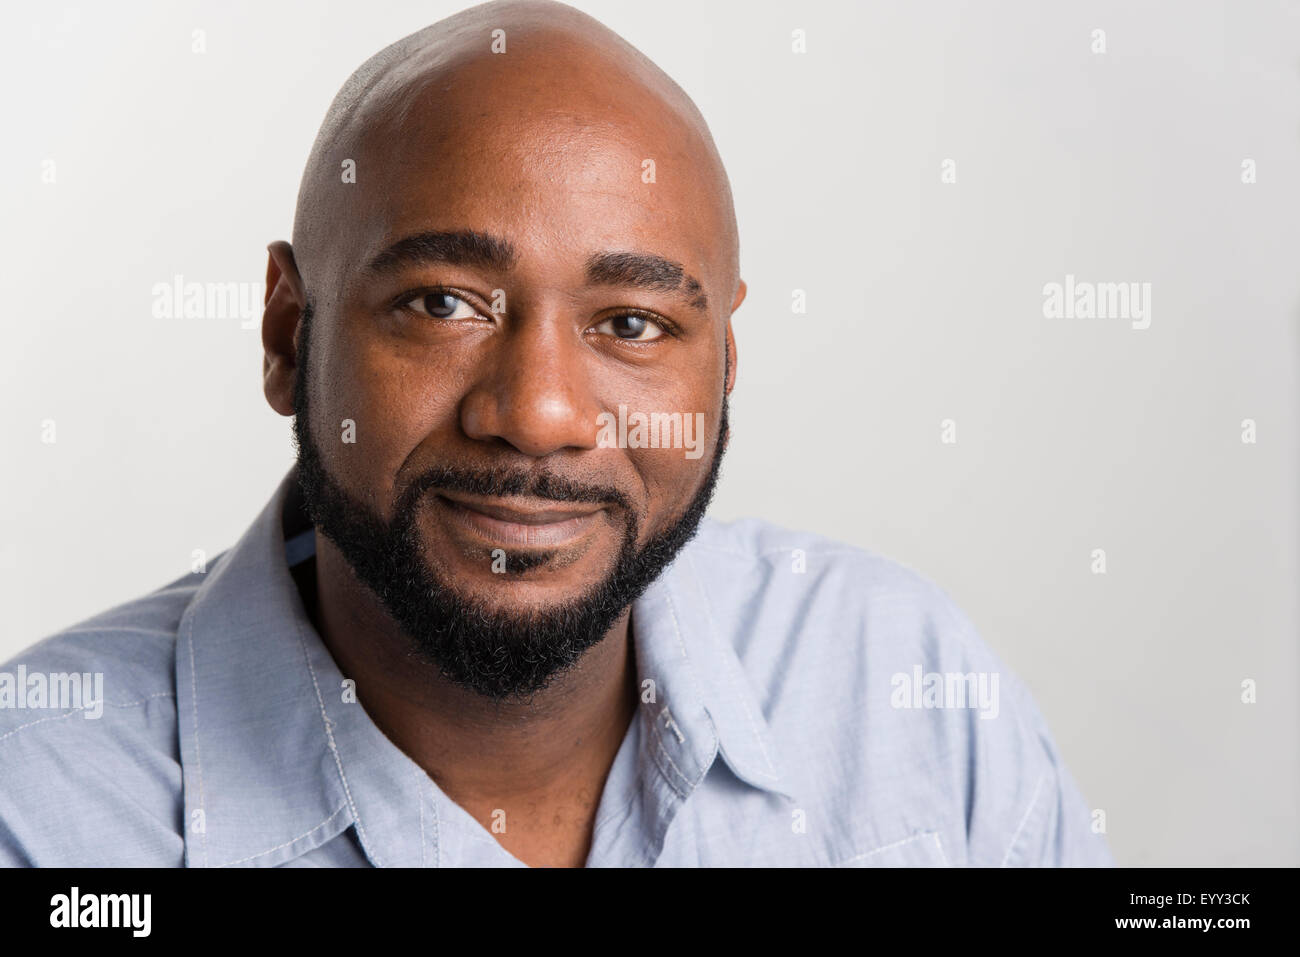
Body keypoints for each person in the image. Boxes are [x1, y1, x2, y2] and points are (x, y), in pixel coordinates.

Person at [0, 0, 1113, 867]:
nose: (537, 413)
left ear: (723, 367)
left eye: (630, 324)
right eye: (443, 303)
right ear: (289, 335)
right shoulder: (44, 805)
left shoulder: (902, 681)